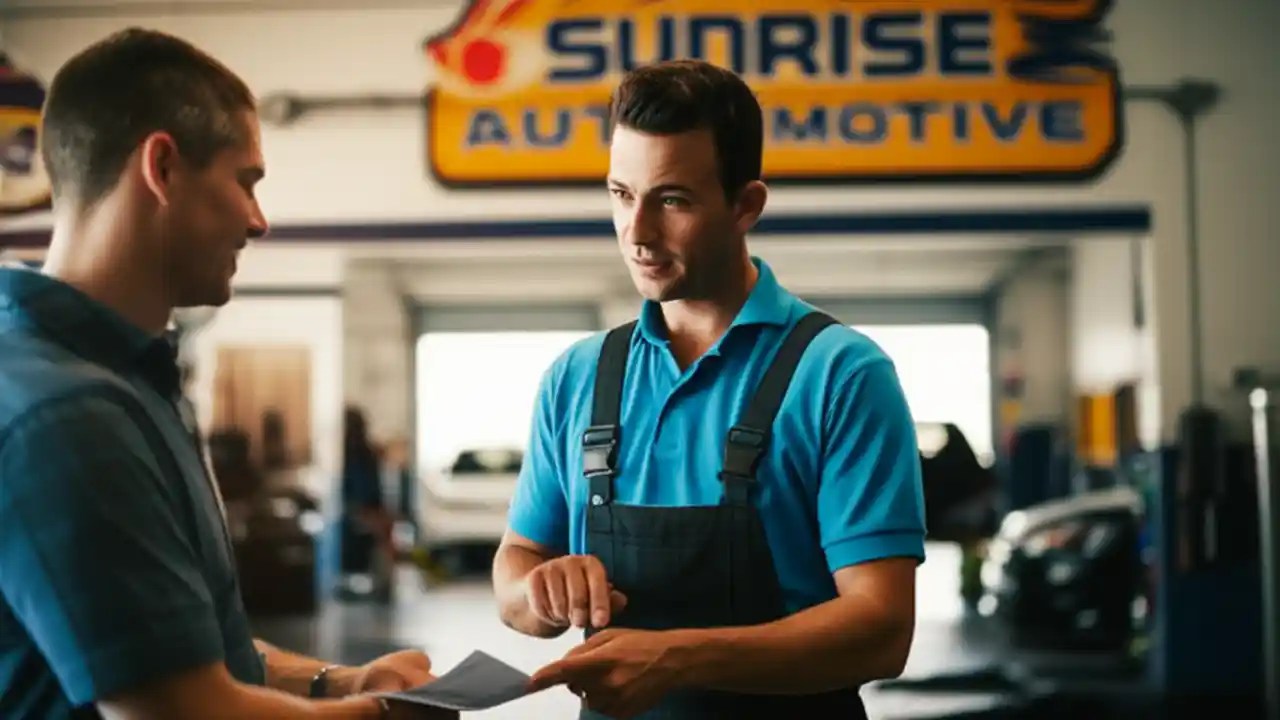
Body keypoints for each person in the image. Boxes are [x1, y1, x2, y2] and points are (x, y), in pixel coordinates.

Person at [0, 28, 452, 719]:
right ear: (163, 167)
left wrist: (342, 683)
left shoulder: (127, 379)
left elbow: (191, 647)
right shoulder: (68, 412)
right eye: (246, 182)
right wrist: (382, 716)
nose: (259, 220)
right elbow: (183, 709)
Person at [494, 60, 928, 719]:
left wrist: (673, 657)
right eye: (620, 195)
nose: (637, 233)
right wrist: (540, 592)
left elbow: (882, 629)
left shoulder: (840, 375)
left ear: (745, 205)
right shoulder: (577, 378)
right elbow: (514, 571)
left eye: (672, 201)